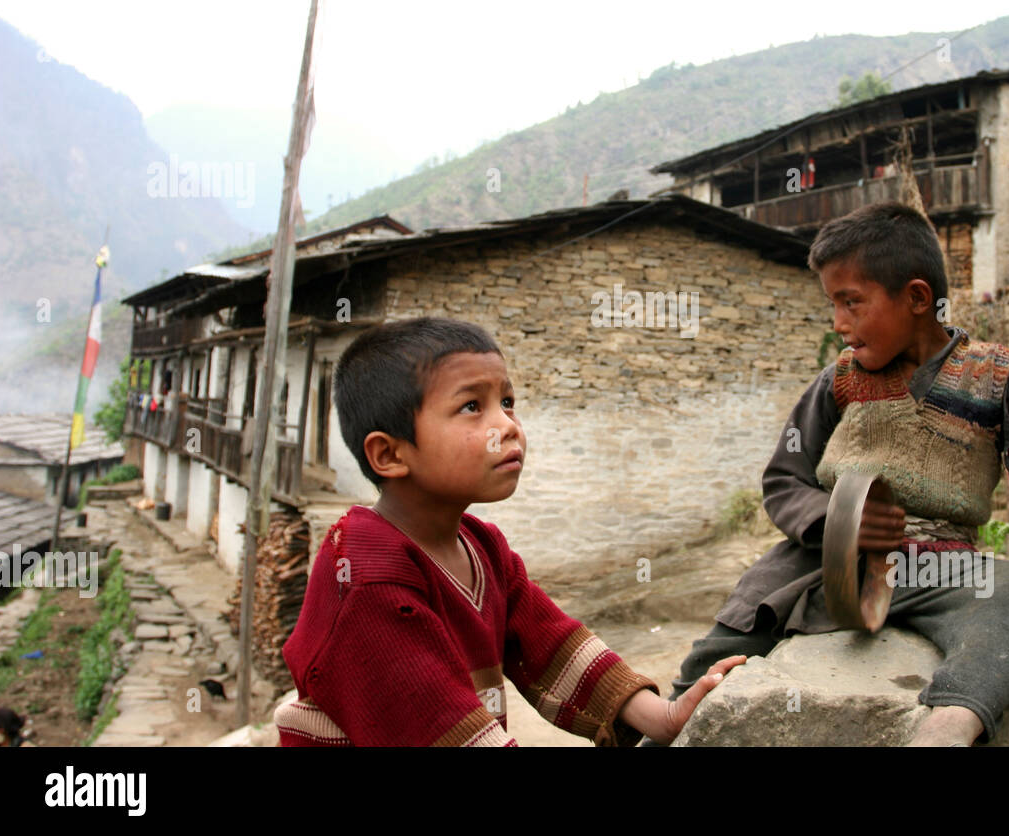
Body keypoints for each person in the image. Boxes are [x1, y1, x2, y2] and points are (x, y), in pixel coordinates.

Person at [659, 203, 1009, 747]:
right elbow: (784, 479)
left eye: (851, 302)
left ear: (918, 299)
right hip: (822, 568)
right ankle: (660, 729)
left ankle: (949, 726)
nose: (839, 323)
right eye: (833, 304)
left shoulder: (998, 376)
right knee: (723, 642)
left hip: (941, 572)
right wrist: (838, 520)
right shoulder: (840, 380)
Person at [275, 317, 741, 746]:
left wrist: (662, 716)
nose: (509, 427)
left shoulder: (482, 548)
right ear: (390, 455)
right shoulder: (366, 579)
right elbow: (441, 726)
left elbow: (552, 644)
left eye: (508, 402)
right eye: (472, 406)